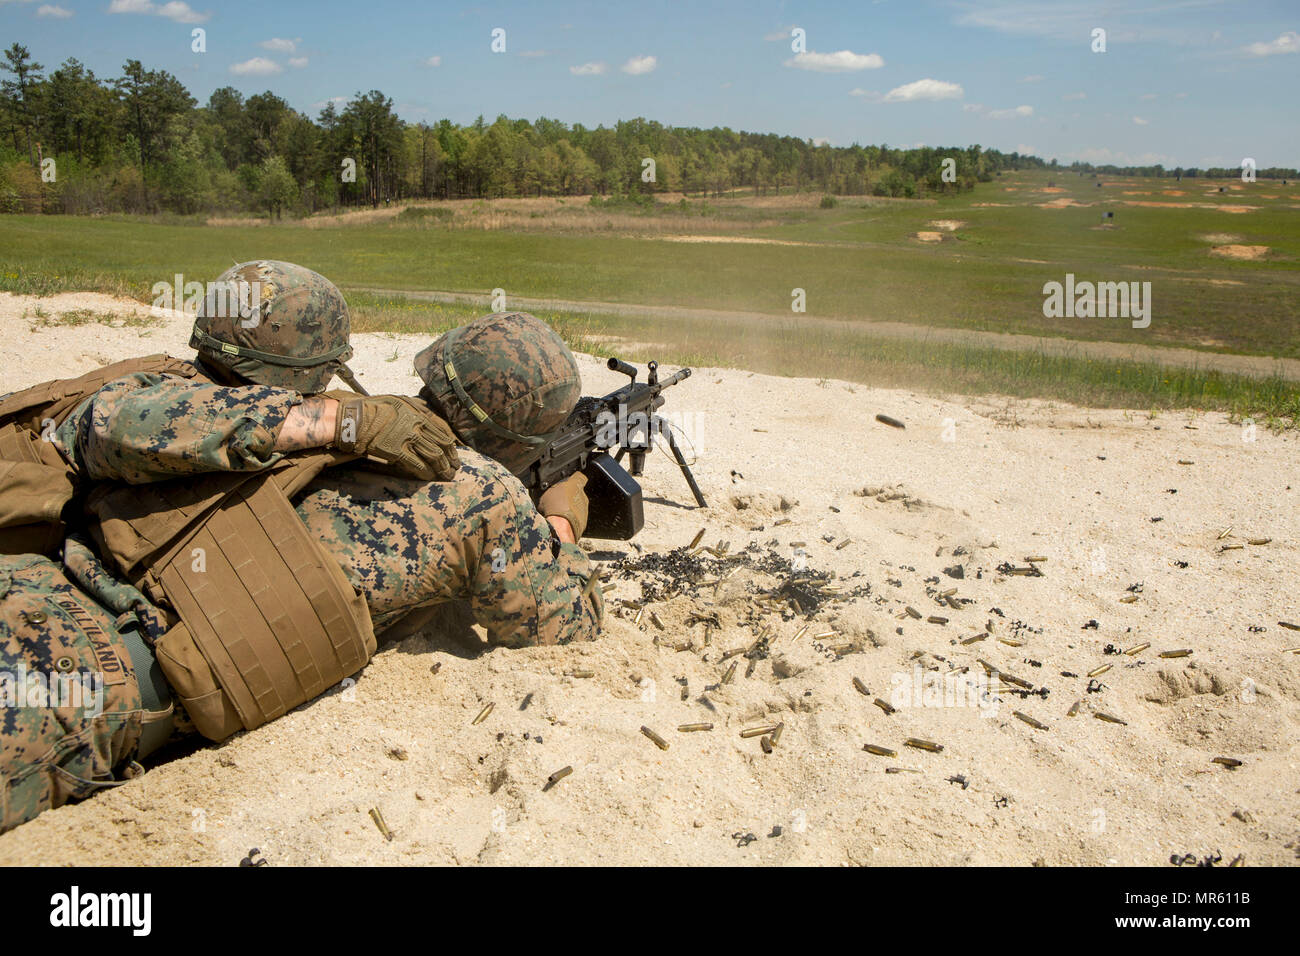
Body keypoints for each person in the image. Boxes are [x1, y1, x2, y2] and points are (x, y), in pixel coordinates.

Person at [0, 269, 599, 833]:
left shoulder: (299, 413)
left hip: (38, 575)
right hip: (97, 671)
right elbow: (558, 626)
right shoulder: (487, 496)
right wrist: (561, 519)